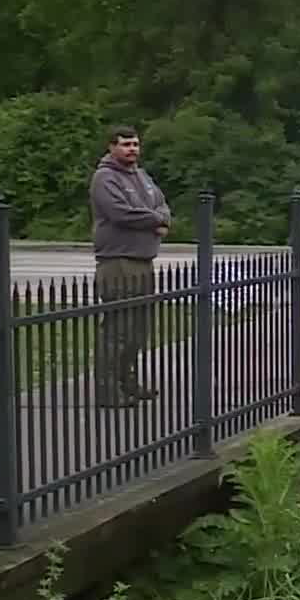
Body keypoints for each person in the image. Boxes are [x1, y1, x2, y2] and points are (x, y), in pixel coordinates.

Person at [90, 125, 170, 406]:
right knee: (118, 329)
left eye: (135, 144)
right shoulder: (105, 178)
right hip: (118, 261)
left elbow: (162, 204)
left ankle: (128, 381)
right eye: (125, 145)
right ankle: (108, 389)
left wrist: (161, 218)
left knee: (138, 330)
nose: (132, 149)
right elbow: (121, 213)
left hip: (144, 260)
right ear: (111, 147)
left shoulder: (142, 176)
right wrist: (156, 222)